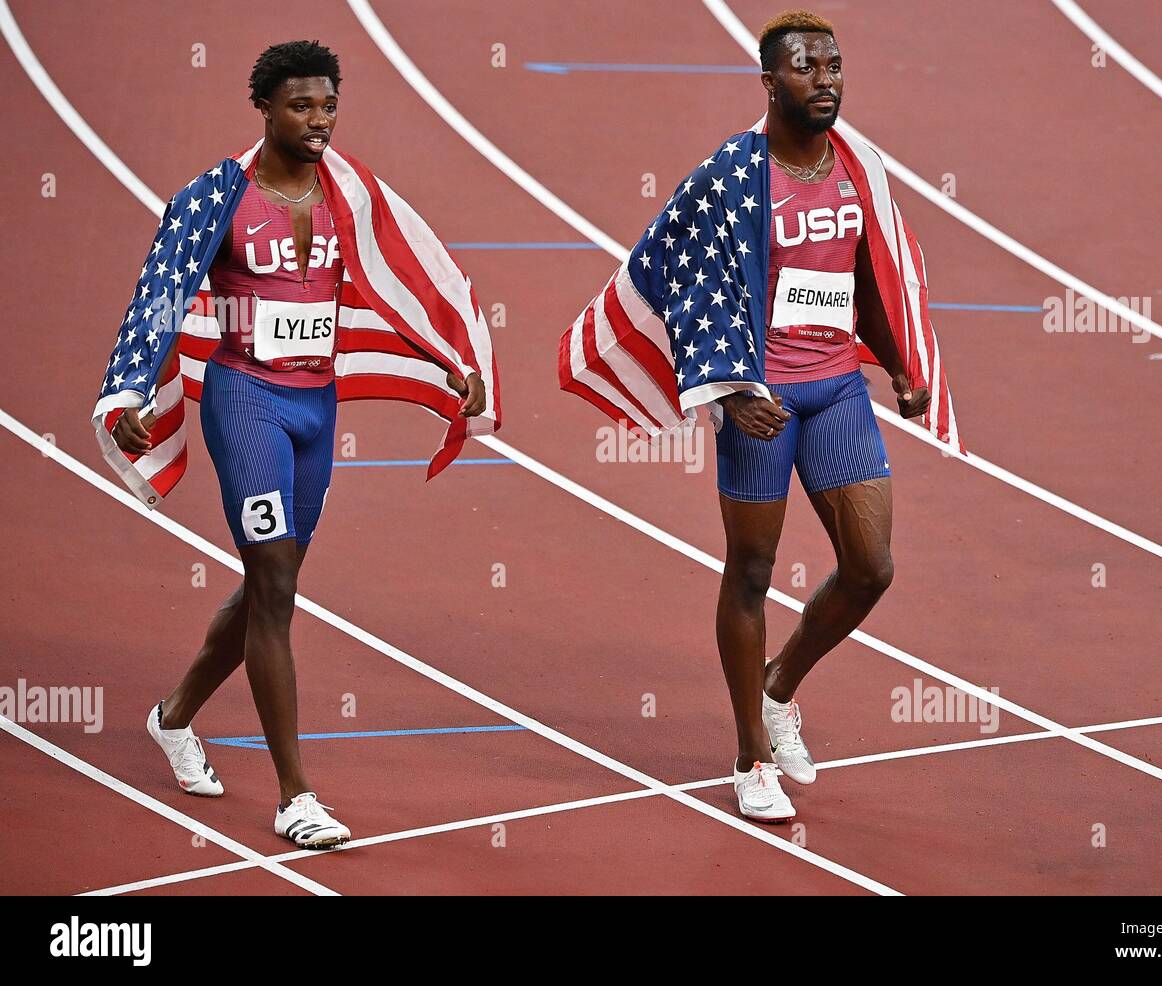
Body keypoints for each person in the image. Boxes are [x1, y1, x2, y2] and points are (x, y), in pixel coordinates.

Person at [93, 41, 497, 847]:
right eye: (301, 107)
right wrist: (129, 387)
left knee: (265, 589)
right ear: (266, 110)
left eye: (328, 106)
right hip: (246, 402)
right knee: (275, 584)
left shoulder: (351, 194)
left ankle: (172, 718)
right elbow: (161, 291)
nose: (318, 122)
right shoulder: (218, 195)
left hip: (318, 408)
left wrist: (455, 359)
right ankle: (295, 795)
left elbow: (404, 282)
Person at [558, 9, 960, 822]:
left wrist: (900, 366)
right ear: (770, 82)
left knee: (872, 567)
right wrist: (734, 393)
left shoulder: (859, 169)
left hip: (837, 388)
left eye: (835, 65)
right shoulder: (730, 178)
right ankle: (750, 757)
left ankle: (779, 688)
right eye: (807, 67)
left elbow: (864, 279)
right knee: (751, 573)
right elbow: (693, 292)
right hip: (762, 402)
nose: (826, 79)